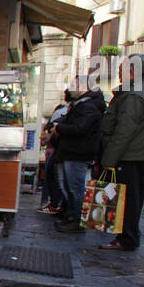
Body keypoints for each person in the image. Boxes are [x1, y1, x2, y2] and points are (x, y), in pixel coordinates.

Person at [95, 55, 144, 251]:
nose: (118, 72)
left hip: (129, 156)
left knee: (126, 200)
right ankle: (127, 237)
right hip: (141, 155)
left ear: (132, 70)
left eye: (121, 68)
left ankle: (126, 238)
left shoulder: (133, 94)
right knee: (132, 199)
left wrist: (109, 158)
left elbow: (125, 128)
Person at [51, 79, 105, 233]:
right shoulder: (83, 104)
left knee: (76, 188)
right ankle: (70, 216)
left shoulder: (89, 106)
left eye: (73, 85)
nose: (70, 88)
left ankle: (76, 220)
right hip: (73, 151)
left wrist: (59, 127)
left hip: (78, 152)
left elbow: (80, 128)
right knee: (71, 186)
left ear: (83, 87)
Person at [38, 91, 72, 214]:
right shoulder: (70, 110)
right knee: (63, 181)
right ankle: (60, 205)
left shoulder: (61, 111)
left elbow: (51, 130)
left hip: (57, 151)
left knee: (55, 178)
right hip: (63, 151)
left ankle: (55, 204)